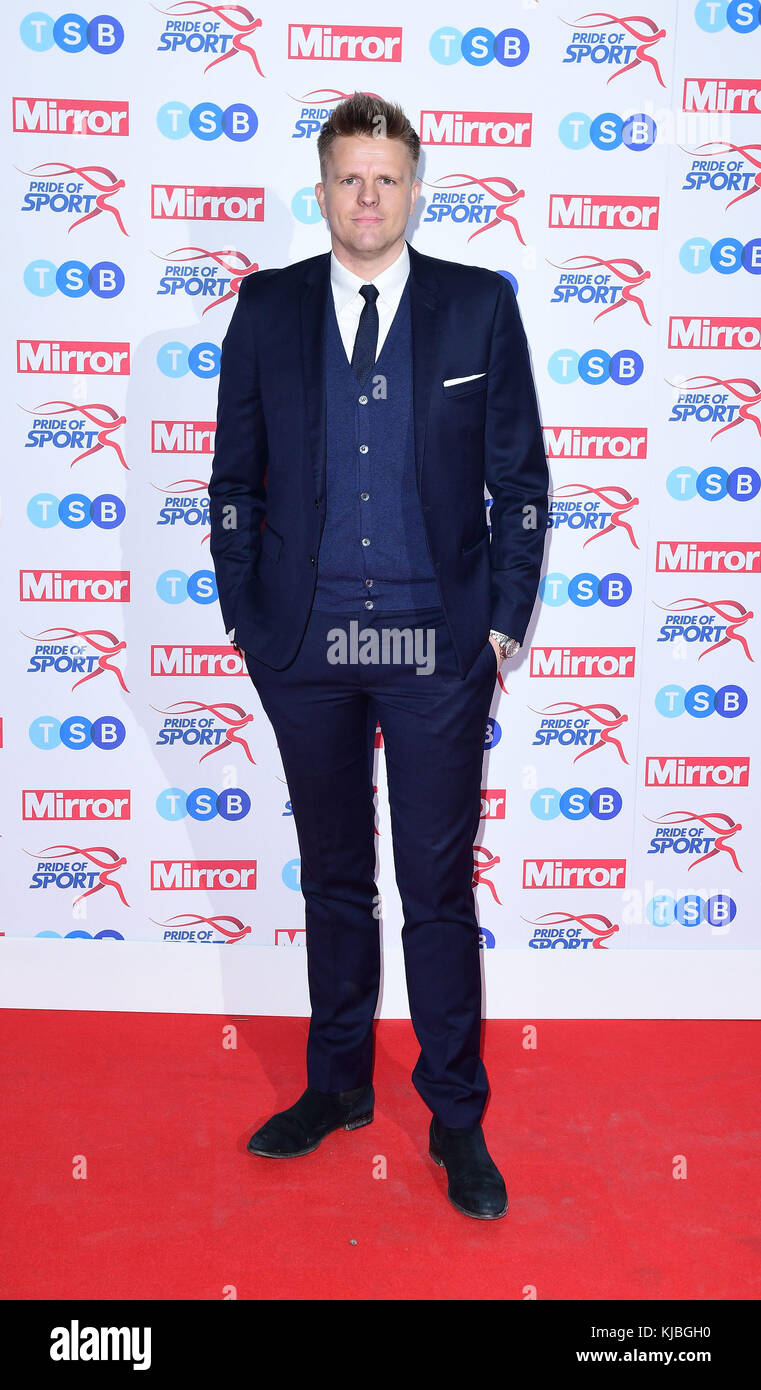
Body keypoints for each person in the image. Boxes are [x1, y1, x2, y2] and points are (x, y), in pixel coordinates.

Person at [208, 93, 548, 1219]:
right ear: (322, 191)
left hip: (430, 645)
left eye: (385, 178)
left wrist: (497, 625)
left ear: (415, 188)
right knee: (334, 880)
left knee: (434, 889)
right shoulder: (265, 309)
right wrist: (251, 623)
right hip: (305, 644)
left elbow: (521, 483)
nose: (367, 197)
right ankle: (336, 1085)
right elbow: (233, 481)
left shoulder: (475, 310)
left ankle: (456, 1117)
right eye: (348, 178)